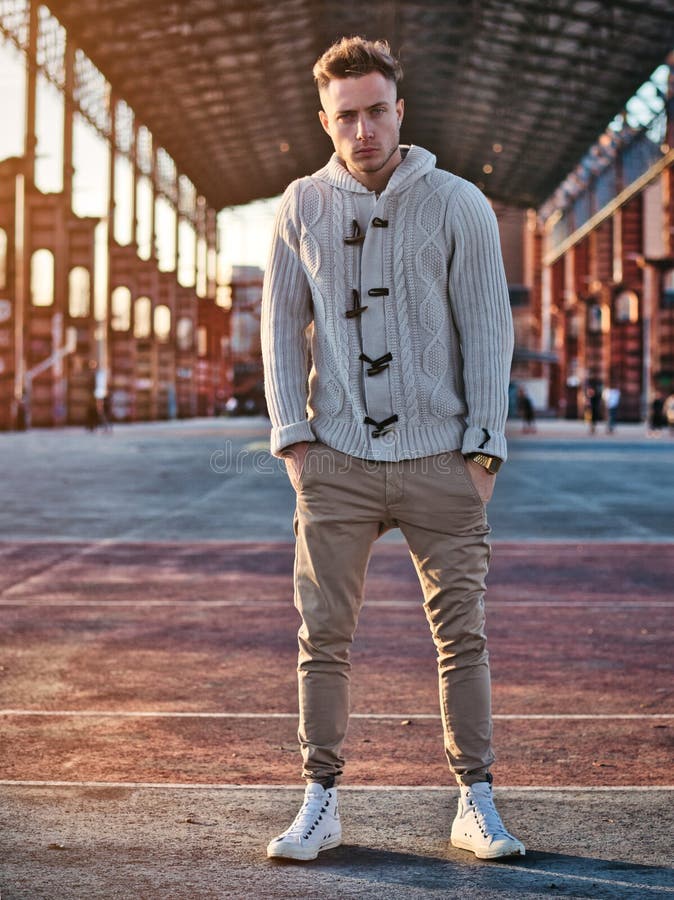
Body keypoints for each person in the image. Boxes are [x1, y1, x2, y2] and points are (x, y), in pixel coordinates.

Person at [261, 36, 523, 863]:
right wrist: (294, 444)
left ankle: (475, 800)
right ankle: (320, 801)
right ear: (325, 121)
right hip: (335, 460)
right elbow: (278, 330)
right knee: (322, 637)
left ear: (400, 110)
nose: (364, 130)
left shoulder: (458, 203)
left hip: (441, 459)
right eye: (346, 116)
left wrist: (483, 452)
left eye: (377, 111)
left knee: (462, 637)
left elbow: (489, 328)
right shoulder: (300, 205)